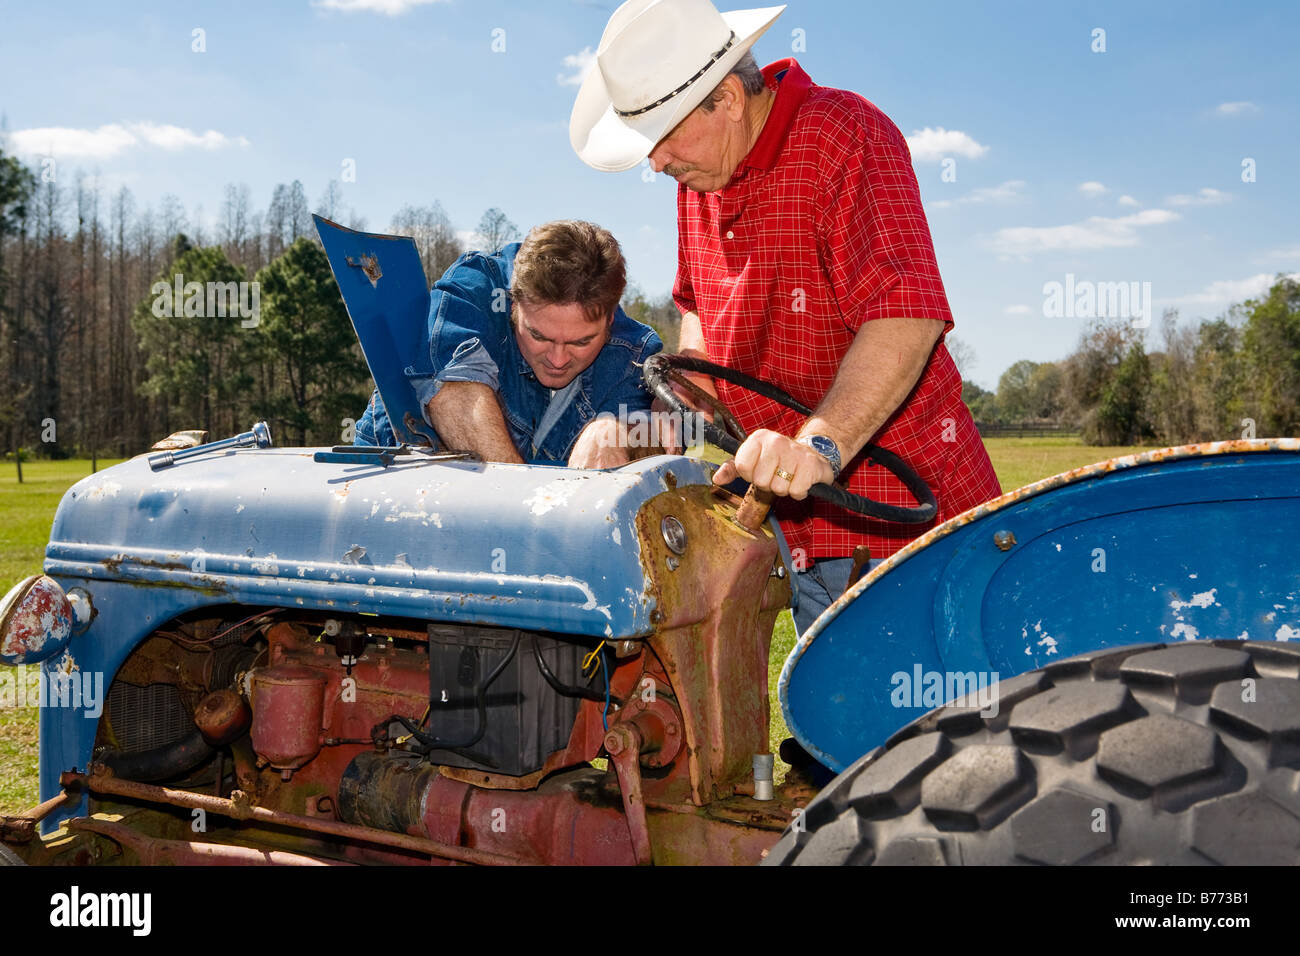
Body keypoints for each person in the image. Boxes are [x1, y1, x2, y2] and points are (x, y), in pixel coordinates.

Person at [570, 0, 1002, 632]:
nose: (655, 163)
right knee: (832, 720)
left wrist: (819, 447)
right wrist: (662, 422)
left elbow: (904, 313)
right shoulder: (700, 182)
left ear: (726, 97)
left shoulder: (845, 134)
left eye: (662, 136)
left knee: (940, 719)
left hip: (899, 522)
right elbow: (700, 315)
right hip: (788, 523)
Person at [356, 219, 663, 469]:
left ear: (610, 321)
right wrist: (523, 513)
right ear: (514, 304)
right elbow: (456, 396)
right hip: (388, 486)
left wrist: (617, 431)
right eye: (539, 336)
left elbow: (658, 438)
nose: (557, 359)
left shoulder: (634, 352)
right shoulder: (474, 291)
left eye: (581, 342)